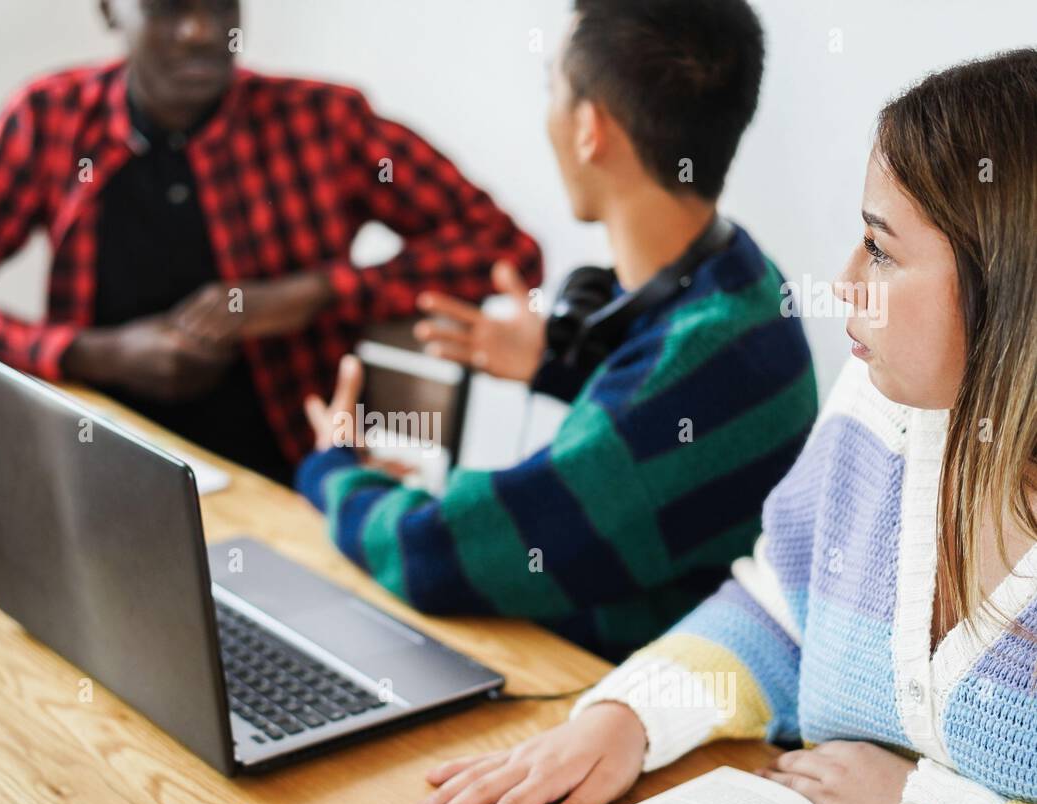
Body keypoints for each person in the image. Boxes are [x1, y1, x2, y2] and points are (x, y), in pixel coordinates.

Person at [413, 48, 1037, 804]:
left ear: (1008, 285)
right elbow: (785, 608)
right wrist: (628, 716)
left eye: (880, 250)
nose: (843, 282)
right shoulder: (878, 411)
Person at [299, 0, 817, 661]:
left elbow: (431, 555)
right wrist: (561, 364)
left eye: (554, 86)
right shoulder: (746, 277)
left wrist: (333, 468)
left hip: (626, 695)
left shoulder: (678, 376)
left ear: (588, 129)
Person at [0, 0, 541, 484]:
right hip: (96, 468)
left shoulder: (325, 123)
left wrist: (314, 293)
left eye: (218, 6)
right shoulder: (49, 121)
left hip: (290, 476)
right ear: (111, 10)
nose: (199, 31)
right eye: (168, 8)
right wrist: (92, 354)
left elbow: (504, 250)